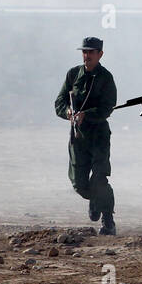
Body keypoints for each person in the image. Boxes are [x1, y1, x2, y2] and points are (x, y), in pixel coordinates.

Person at [54, 36, 117, 235]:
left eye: (91, 52)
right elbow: (59, 102)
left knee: (99, 178)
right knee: (79, 184)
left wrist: (86, 114)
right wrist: (68, 112)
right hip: (78, 137)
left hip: (98, 136)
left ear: (100, 54)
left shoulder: (106, 77)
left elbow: (108, 107)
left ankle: (108, 219)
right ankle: (95, 200)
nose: (87, 55)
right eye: (85, 52)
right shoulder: (73, 74)